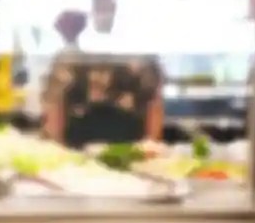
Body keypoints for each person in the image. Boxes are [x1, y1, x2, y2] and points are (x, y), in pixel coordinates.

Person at [42, 10, 165, 148]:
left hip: (129, 151)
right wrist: (57, 151)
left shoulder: (142, 58)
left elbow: (154, 105)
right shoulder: (67, 60)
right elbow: (54, 107)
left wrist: (149, 148)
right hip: (76, 154)